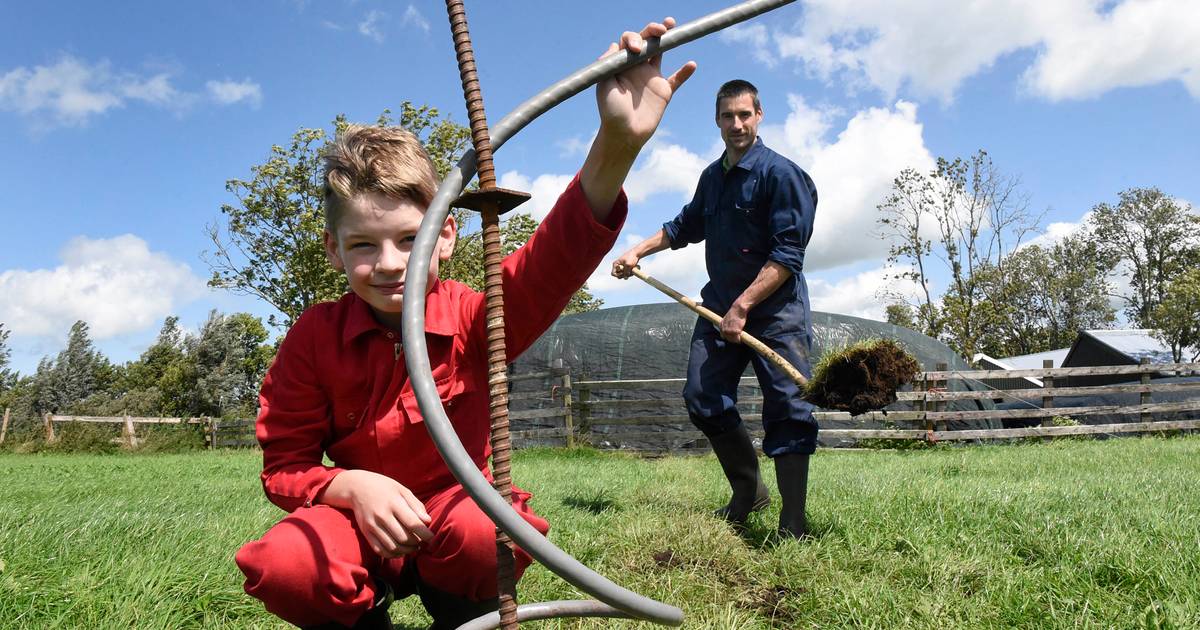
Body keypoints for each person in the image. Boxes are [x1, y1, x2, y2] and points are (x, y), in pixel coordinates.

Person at [234, 19, 697, 630]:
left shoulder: (481, 318)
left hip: (457, 519)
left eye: (410, 238)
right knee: (291, 562)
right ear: (333, 251)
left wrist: (618, 142)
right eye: (363, 244)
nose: (390, 263)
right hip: (356, 522)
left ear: (446, 234)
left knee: (488, 531)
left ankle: (464, 615)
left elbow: (556, 256)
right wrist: (351, 488)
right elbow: (285, 465)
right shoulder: (314, 337)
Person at [611, 79, 817, 539]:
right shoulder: (713, 177)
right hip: (719, 307)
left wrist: (744, 305)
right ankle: (749, 492)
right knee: (702, 396)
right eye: (728, 116)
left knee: (788, 407)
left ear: (759, 115)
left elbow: (788, 255)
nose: (736, 124)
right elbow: (684, 225)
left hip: (776, 314)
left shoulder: (782, 176)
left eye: (744, 114)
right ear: (717, 120)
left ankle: (793, 523)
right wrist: (638, 251)